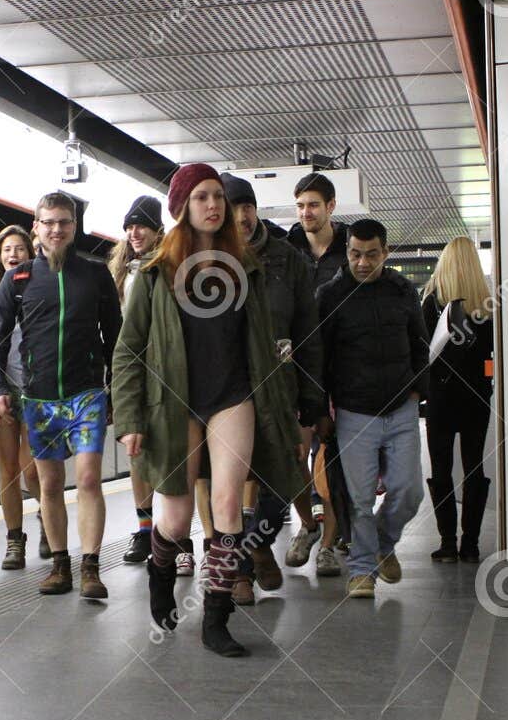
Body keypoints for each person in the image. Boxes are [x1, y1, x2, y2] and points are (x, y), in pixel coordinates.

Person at [113, 163, 306, 657]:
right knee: (176, 521)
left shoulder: (247, 269)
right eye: (201, 197)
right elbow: (128, 348)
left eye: (217, 196)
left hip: (233, 396)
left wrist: (284, 407)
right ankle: (161, 571)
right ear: (181, 208)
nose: (213, 205)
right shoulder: (156, 273)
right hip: (174, 403)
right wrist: (130, 418)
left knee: (227, 509)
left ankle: (217, 618)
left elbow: (263, 343)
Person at [0, 192, 121, 600]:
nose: (56, 229)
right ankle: (61, 565)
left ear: (74, 227)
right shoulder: (19, 279)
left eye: (64, 222)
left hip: (88, 394)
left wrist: (117, 391)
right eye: (49, 223)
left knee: (89, 478)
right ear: (36, 229)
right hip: (39, 399)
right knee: (49, 484)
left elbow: (116, 339)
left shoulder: (96, 276)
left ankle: (91, 568)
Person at [220, 173, 324, 603]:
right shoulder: (207, 259)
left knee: (281, 473)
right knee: (232, 479)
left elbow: (308, 332)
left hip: (278, 386)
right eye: (232, 208)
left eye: (247, 207)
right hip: (226, 388)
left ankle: (259, 543)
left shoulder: (287, 259)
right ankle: (242, 571)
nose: (241, 217)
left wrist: (313, 400)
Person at [317, 218, 428, 600]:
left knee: (410, 492)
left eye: (371, 255)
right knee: (360, 500)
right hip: (354, 413)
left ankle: (382, 544)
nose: (362, 263)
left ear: (385, 252)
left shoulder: (402, 291)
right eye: (354, 254)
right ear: (347, 250)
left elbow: (420, 346)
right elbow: (320, 360)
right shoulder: (330, 297)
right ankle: (363, 570)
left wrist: (416, 391)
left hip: (401, 408)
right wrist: (320, 413)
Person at [287, 172, 352, 577]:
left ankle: (328, 544)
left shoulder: (350, 251)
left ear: (330, 206)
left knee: (330, 461)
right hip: (296, 369)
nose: (306, 213)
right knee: (293, 457)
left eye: (313, 205)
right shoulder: (286, 250)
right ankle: (308, 526)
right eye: (300, 206)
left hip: (340, 368)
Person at [421, 237, 494, 564]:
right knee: (473, 466)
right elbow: (491, 357)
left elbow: (423, 352)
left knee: (441, 468)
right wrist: (487, 380)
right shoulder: (487, 305)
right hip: (477, 396)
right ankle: (472, 544)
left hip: (440, 396)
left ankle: (448, 542)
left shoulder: (430, 303)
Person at [0, 225, 42, 570]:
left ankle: (48, 516)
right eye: (6, 250)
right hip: (1, 388)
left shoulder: (38, 289)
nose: (13, 254)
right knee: (8, 469)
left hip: (32, 388)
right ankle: (15, 540)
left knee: (32, 468)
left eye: (19, 248)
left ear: (30, 254)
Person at [107, 195, 164, 567]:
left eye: (141, 225)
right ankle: (145, 531)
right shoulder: (118, 275)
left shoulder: (169, 267)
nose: (134, 232)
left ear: (159, 230)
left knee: (178, 457)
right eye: (129, 226)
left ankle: (176, 536)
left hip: (168, 374)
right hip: (132, 375)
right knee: (137, 457)